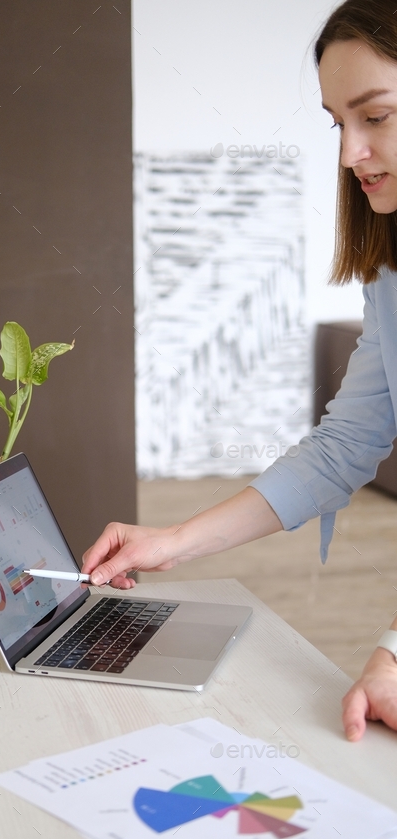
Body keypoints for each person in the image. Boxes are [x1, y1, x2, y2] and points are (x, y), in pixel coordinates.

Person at [82, 0, 397, 743]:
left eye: (375, 116)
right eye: (336, 124)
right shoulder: (388, 275)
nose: (351, 152)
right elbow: (341, 448)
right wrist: (172, 540)